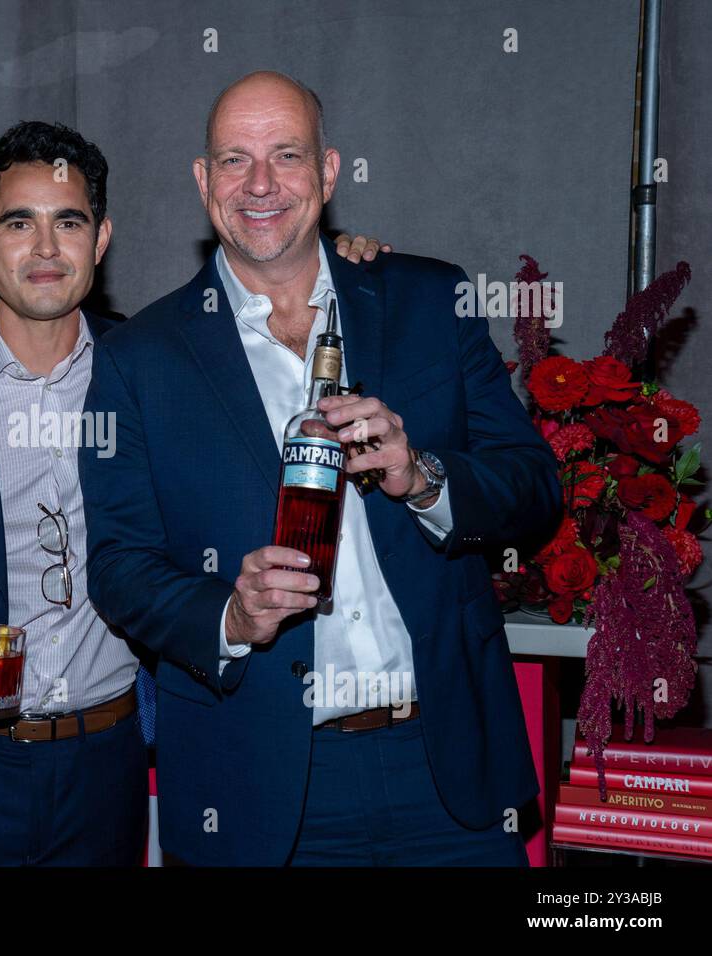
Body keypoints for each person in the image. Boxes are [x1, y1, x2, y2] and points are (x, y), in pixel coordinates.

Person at [0, 119, 388, 866]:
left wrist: (344, 264)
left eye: (69, 222)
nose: (44, 248)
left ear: (100, 241)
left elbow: (288, 301)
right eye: (17, 223)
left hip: (109, 768)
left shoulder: (163, 367)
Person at [79, 71, 562, 866]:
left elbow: (534, 485)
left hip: (448, 775)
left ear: (330, 172)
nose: (260, 183)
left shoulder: (429, 301)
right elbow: (120, 565)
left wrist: (424, 479)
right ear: (203, 182)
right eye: (234, 160)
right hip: (263, 792)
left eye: (286, 155)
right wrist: (229, 615)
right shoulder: (141, 359)